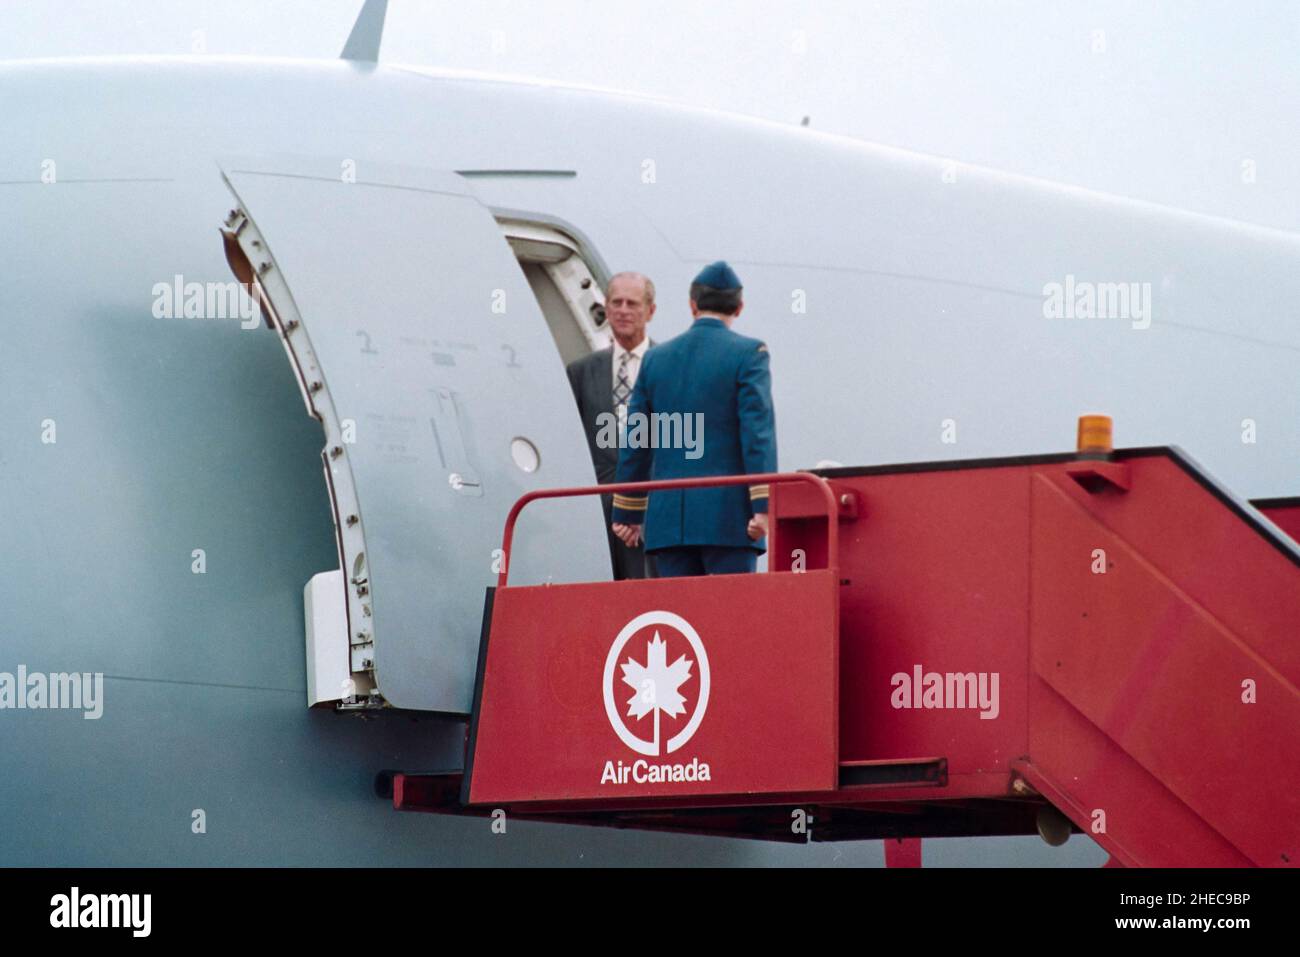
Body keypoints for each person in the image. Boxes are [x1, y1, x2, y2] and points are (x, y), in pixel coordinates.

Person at [611, 261, 776, 576]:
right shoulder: (750, 353)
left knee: (679, 621)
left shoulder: (655, 359)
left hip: (667, 523)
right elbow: (757, 435)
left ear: (692, 305)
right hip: (728, 520)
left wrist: (627, 510)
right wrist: (763, 508)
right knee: (730, 618)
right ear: (739, 308)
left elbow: (638, 438)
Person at [566, 272, 657, 579]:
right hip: (600, 514)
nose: (622, 310)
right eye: (616, 302)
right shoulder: (581, 372)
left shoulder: (670, 365)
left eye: (632, 303)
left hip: (652, 510)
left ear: (650, 311)